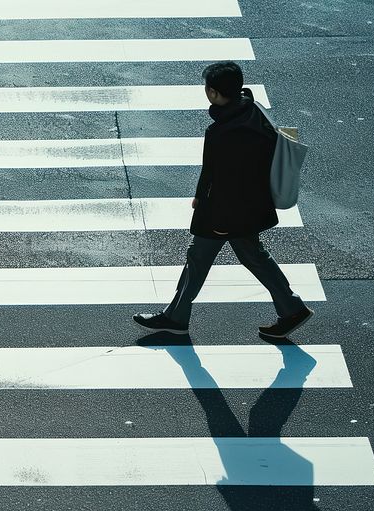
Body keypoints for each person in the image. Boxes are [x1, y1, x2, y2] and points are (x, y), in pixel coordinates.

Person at [134, 61, 313, 338]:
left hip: (226, 212)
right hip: (246, 206)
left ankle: (176, 317)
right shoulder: (251, 112)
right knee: (252, 256)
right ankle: (291, 308)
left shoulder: (225, 132)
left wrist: (219, 220)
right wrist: (199, 195)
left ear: (215, 93)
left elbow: (225, 179)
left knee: (201, 257)